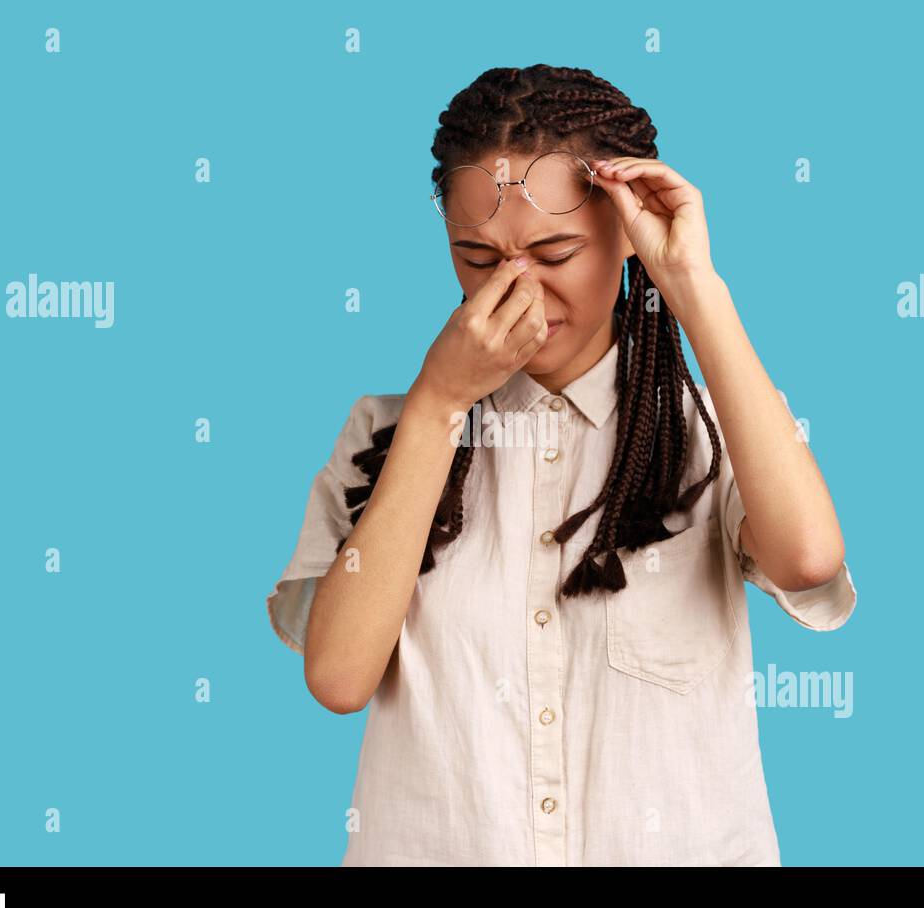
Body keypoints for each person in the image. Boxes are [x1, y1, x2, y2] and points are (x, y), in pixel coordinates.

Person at [267, 64, 858, 866]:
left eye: (554, 249)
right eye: (477, 257)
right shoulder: (386, 433)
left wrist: (692, 284)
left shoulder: (715, 430)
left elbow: (809, 559)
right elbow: (338, 678)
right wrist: (439, 403)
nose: (517, 286)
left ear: (625, 229)